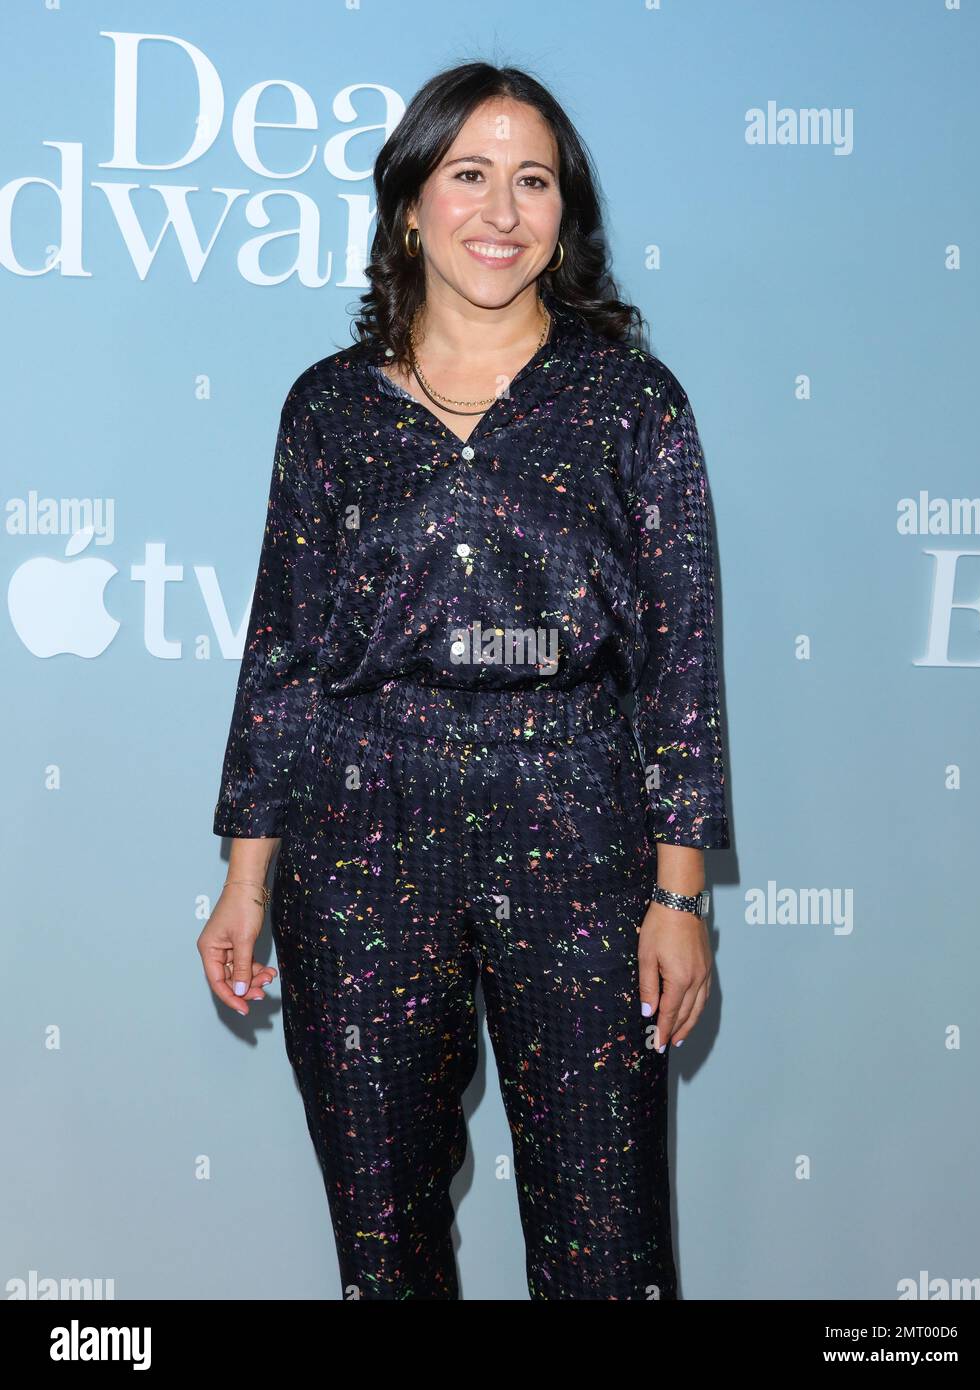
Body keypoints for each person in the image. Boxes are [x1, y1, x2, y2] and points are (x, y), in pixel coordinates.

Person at [198, 61, 730, 1301]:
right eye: (469, 174)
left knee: (610, 1244)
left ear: (565, 216)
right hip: (363, 832)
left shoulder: (629, 403)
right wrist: (244, 878)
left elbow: (683, 659)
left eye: (532, 180)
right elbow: (282, 652)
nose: (501, 209)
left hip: (580, 820)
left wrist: (682, 891)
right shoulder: (328, 411)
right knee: (383, 1242)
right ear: (409, 207)